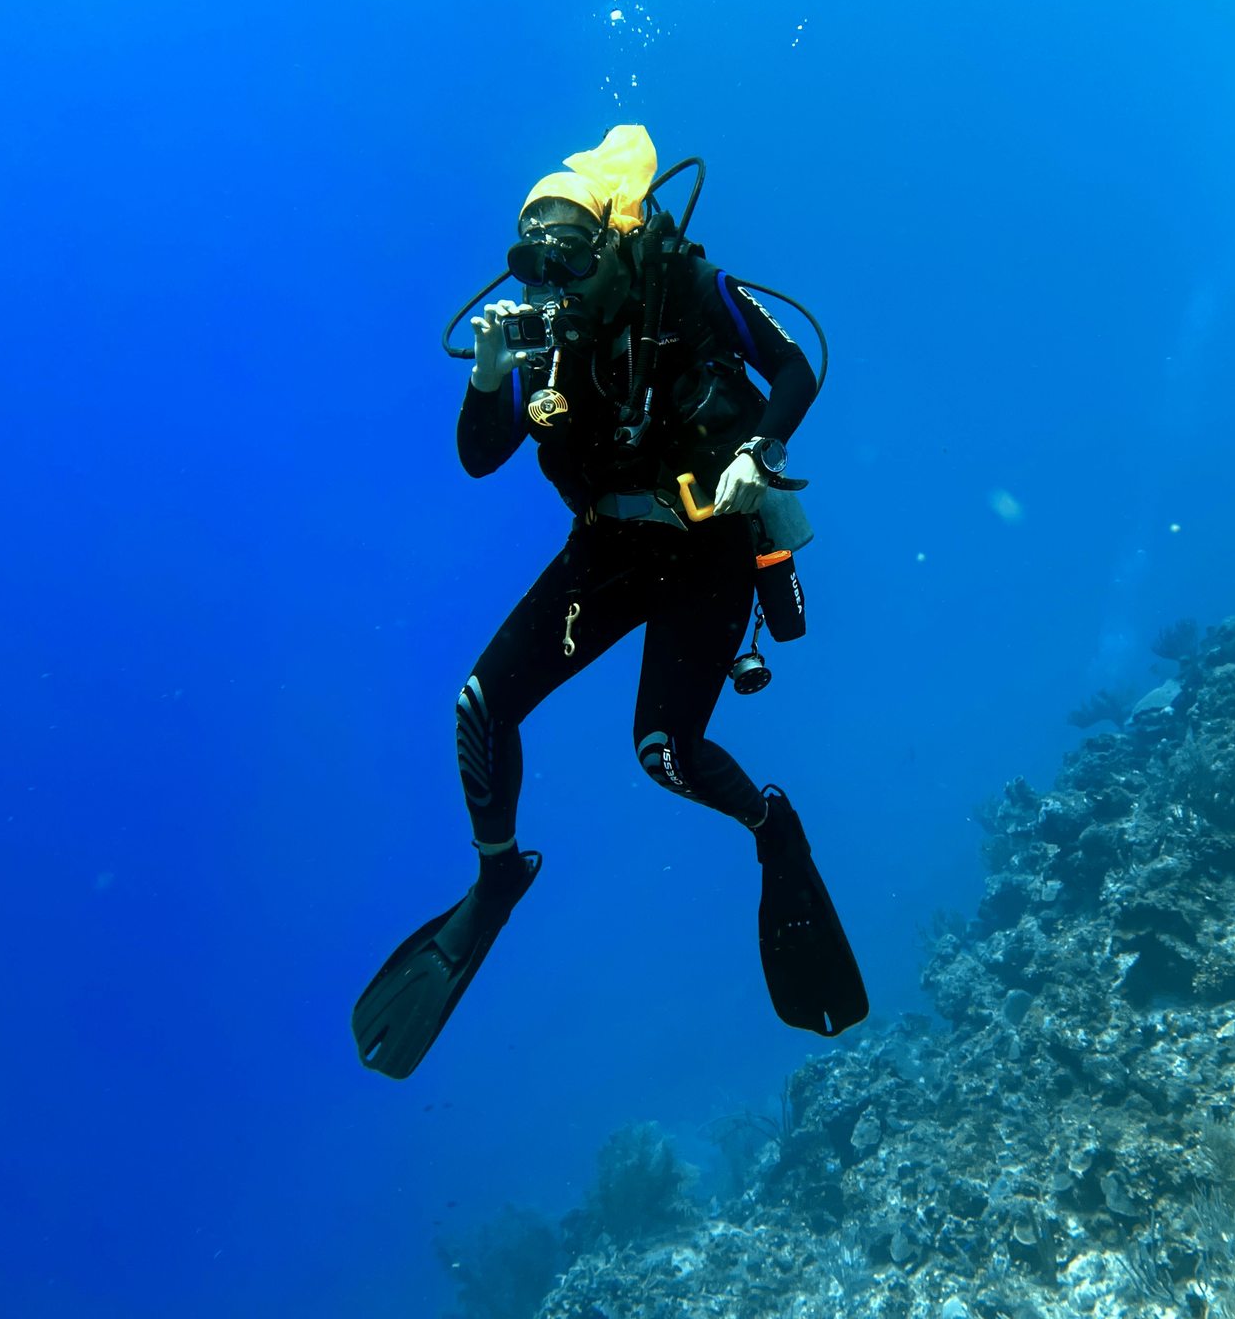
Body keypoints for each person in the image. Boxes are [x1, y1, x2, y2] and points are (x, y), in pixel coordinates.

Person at [353, 126, 867, 1079]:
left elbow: (795, 362)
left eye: (572, 257)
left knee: (665, 753)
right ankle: (498, 870)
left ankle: (773, 829)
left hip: (711, 542)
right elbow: (479, 456)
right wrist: (491, 375)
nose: (553, 282)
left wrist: (763, 451)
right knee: (482, 703)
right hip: (608, 551)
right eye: (537, 262)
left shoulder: (685, 285)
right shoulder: (545, 338)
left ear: (616, 237)